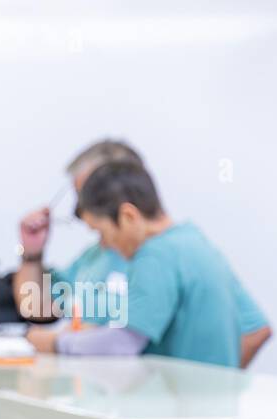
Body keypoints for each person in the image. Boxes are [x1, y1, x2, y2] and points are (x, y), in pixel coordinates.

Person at [15, 140, 270, 367]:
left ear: (127, 215)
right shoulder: (192, 241)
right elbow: (36, 306)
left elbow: (121, 345)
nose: (108, 243)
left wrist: (53, 342)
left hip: (176, 410)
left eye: (102, 228)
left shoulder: (155, 255)